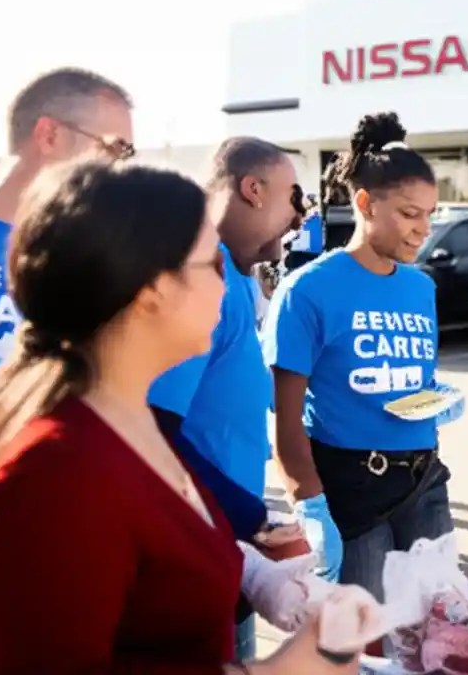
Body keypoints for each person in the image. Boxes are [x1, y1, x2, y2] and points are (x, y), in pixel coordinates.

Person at [0, 160, 364, 675]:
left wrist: (254, 574)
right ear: (152, 289)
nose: (228, 285)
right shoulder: (57, 469)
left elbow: (147, 558)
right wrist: (276, 672)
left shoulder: (129, 430)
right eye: (210, 266)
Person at [0, 67, 133, 675]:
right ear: (49, 134)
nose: (121, 166)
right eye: (113, 147)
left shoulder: (90, 257)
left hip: (36, 568)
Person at [264, 112, 452, 607]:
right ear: (366, 203)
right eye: (410, 214)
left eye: (430, 214)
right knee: (360, 646)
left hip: (424, 481)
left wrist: (441, 402)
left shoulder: (420, 287)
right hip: (350, 491)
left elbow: (416, 384)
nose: (423, 230)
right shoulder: (307, 290)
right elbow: (285, 424)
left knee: (435, 635)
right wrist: (310, 504)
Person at [147, 136, 308, 658]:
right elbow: (148, 430)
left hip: (224, 544)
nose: (298, 217)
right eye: (292, 198)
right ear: (253, 190)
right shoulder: (200, 276)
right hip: (188, 553)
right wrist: (250, 518)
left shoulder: (235, 276)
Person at [286, 195, 325, 271]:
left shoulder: (311, 217)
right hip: (313, 253)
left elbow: (304, 241)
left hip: (307, 253)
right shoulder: (316, 216)